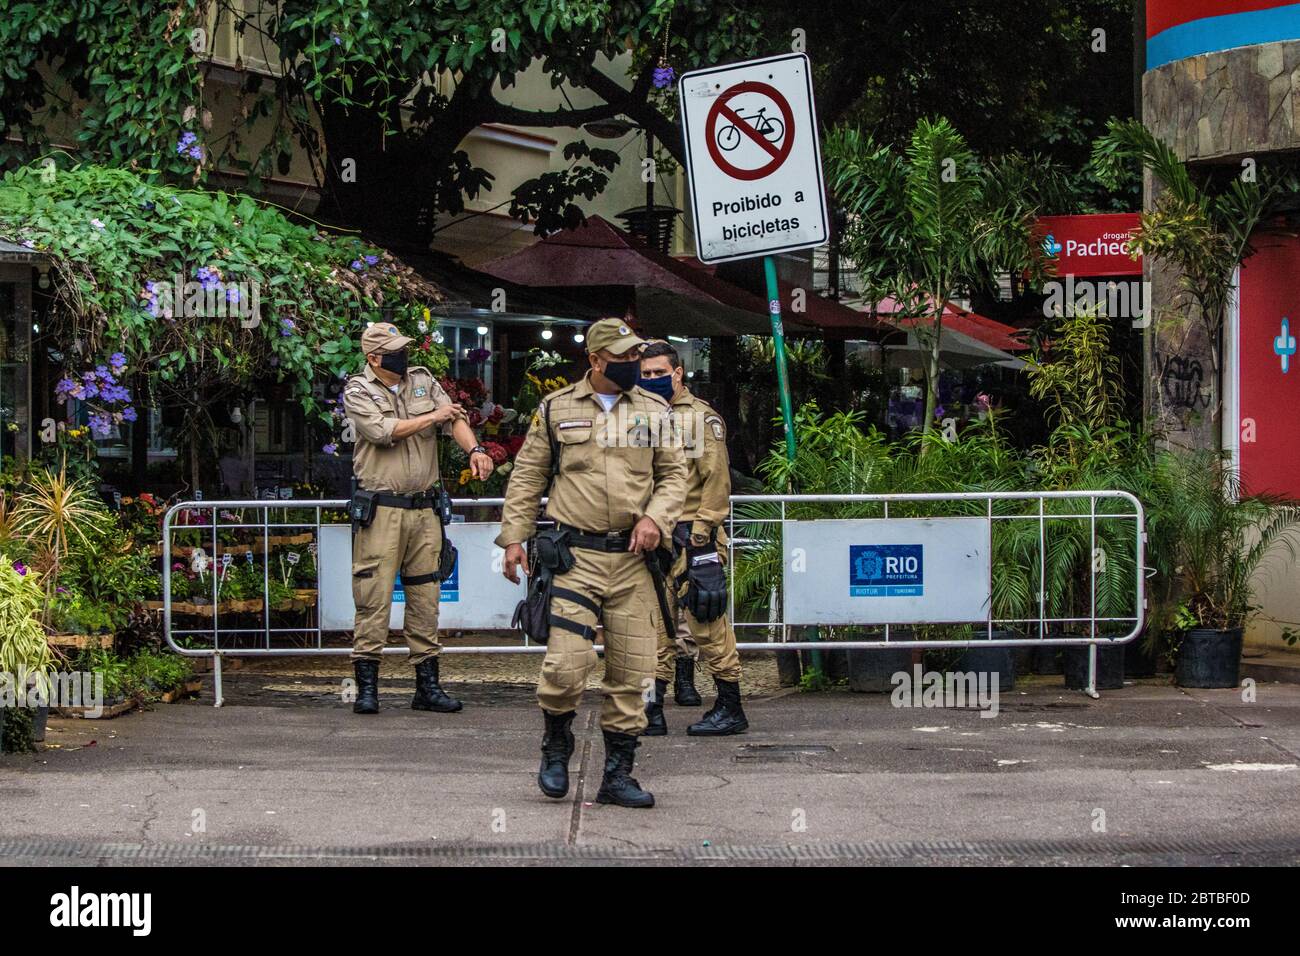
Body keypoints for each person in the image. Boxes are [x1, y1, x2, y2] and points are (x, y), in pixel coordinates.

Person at [498, 318, 686, 809]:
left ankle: (618, 775)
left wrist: (655, 519)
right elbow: (527, 478)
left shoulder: (655, 410)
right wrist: (514, 538)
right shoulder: (556, 409)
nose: (633, 366)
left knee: (632, 672)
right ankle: (556, 745)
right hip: (574, 557)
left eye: (635, 358)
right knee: (566, 666)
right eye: (623, 359)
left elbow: (674, 479)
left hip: (633, 560)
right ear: (596, 361)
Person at [342, 322, 494, 715]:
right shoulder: (358, 390)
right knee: (373, 597)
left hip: (424, 509)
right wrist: (436, 416)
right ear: (373, 357)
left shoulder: (422, 380)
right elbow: (381, 431)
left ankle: (427, 686)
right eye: (392, 350)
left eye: (403, 348)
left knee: (426, 598)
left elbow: (454, 418)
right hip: (382, 510)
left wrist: (475, 449)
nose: (402, 355)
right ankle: (367, 687)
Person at [638, 340, 748, 736]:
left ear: (678, 373)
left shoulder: (701, 420)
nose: (652, 379)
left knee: (705, 624)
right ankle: (651, 710)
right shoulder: (638, 418)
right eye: (645, 374)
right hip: (655, 539)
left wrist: (701, 538)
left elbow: (717, 484)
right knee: (655, 628)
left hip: (692, 535)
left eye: (659, 373)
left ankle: (730, 707)